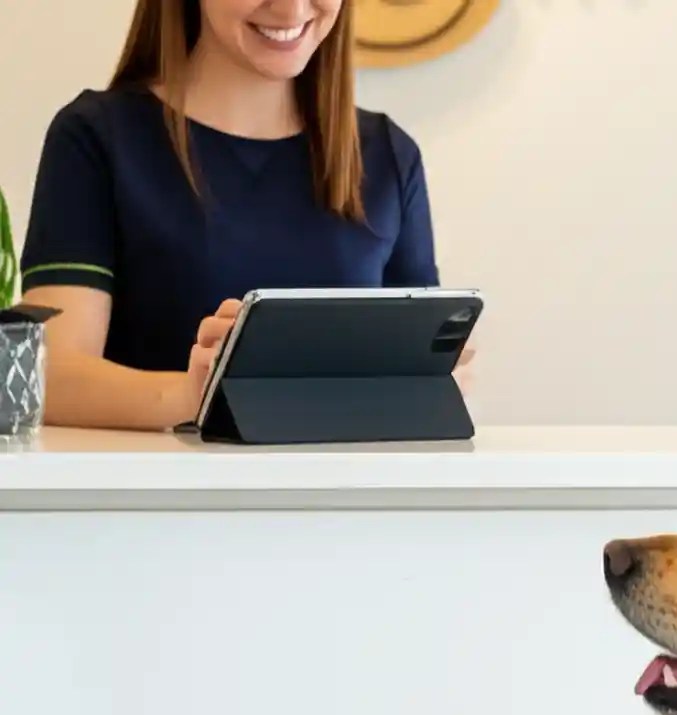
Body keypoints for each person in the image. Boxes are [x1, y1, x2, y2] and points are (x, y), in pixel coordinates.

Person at [19, 0, 468, 431]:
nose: (292, 10)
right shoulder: (96, 138)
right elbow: (53, 375)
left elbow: (425, 373)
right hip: (159, 501)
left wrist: (438, 379)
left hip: (341, 500)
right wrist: (197, 394)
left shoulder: (389, 156)